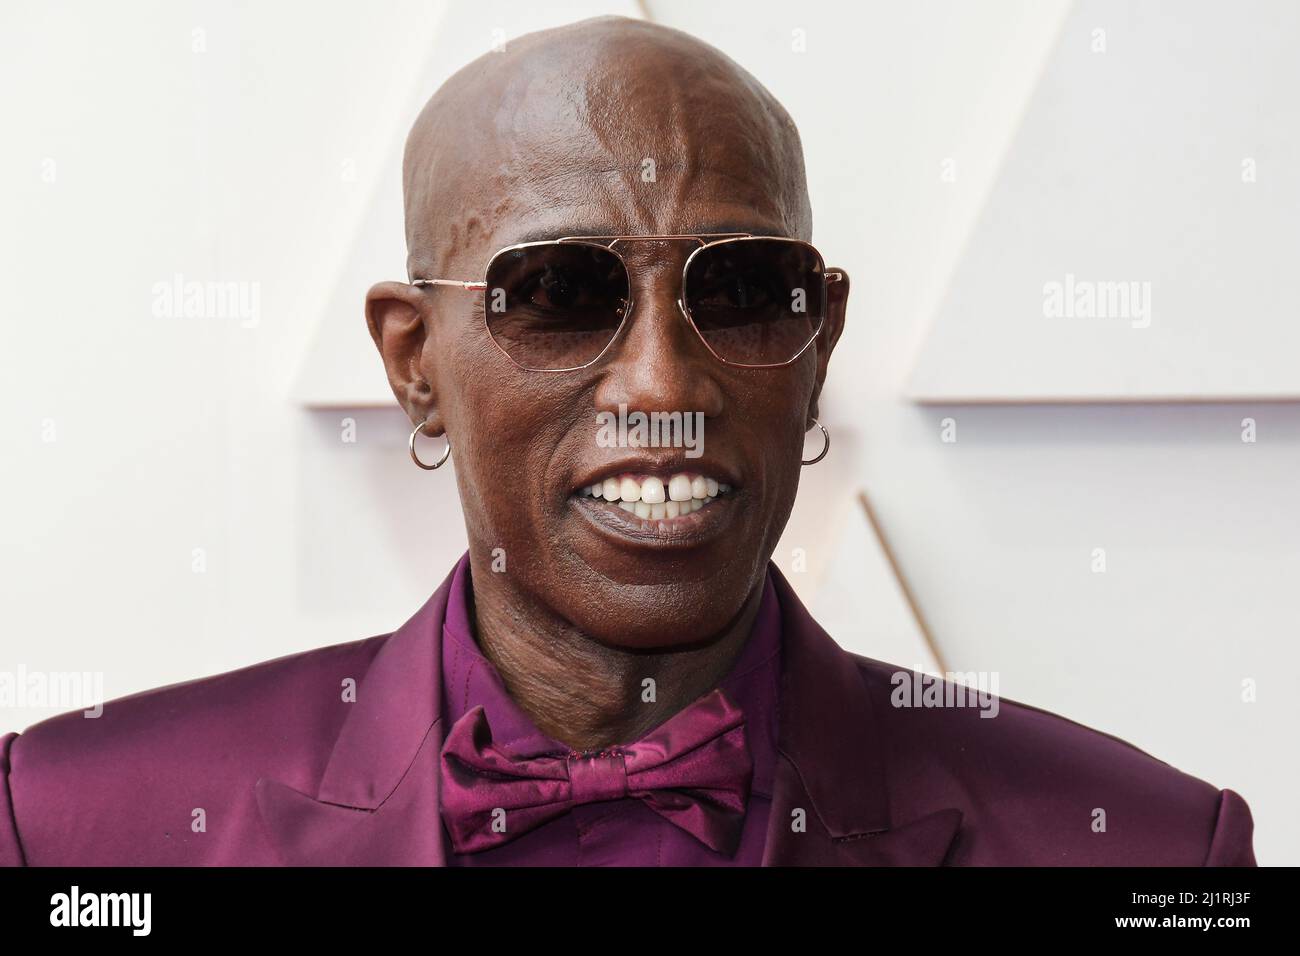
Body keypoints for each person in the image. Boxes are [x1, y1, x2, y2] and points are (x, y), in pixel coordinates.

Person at [0, 16, 1254, 866]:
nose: (664, 380)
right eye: (556, 292)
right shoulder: (79, 824)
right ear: (412, 363)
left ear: (818, 348)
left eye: (746, 289)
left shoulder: (1140, 845)